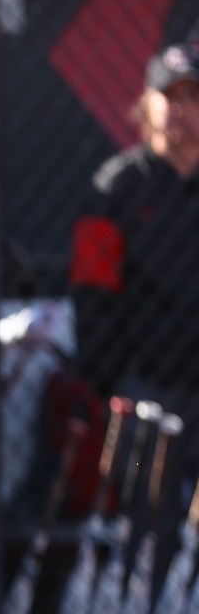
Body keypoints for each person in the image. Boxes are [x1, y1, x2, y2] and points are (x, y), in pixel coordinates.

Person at [70, 42, 199, 452]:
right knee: (145, 507)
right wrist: (109, 384)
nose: (181, 108)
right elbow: (92, 297)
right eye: (170, 95)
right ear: (147, 104)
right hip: (141, 387)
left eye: (194, 96)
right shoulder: (113, 189)